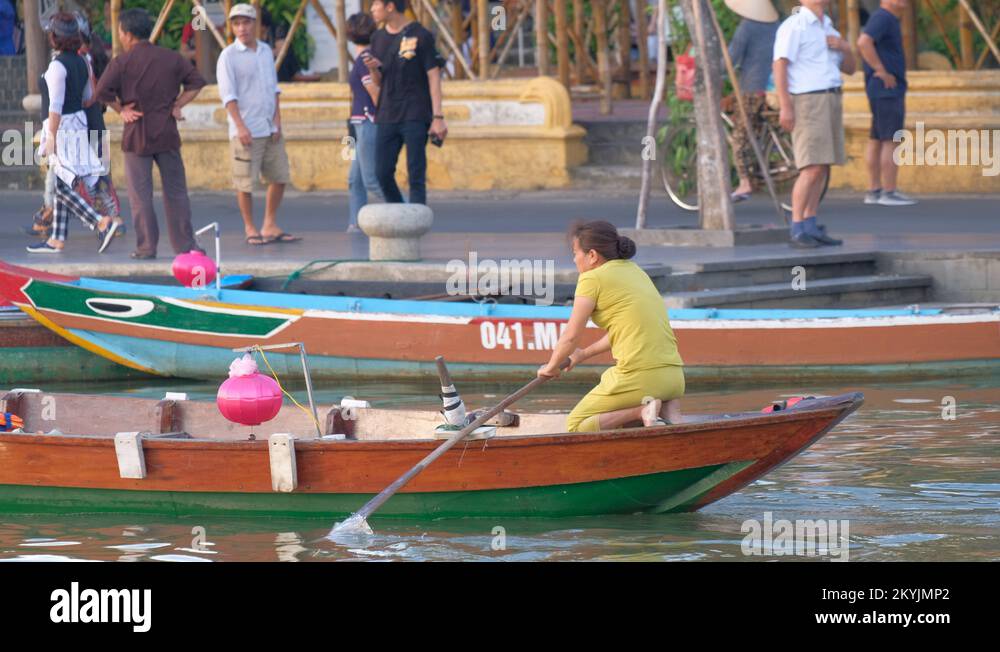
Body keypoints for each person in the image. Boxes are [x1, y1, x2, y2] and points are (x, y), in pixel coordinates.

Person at [538, 221, 685, 432]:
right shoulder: (634, 270)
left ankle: (641, 410)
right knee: (626, 423)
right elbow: (624, 330)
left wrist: (551, 367)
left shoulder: (592, 278)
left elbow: (571, 336)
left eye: (575, 252)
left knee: (576, 425)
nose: (574, 259)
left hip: (639, 376)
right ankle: (657, 412)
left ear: (592, 255)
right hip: (673, 378)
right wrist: (581, 355)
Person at [95, 8, 207, 259]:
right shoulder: (171, 58)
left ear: (126, 34)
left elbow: (101, 91)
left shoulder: (122, 62)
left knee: (140, 194)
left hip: (137, 133)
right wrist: (178, 104)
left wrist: (120, 109)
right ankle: (185, 246)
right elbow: (196, 82)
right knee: (176, 192)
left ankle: (147, 247)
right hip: (166, 130)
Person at [26, 13, 123, 254]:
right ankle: (56, 239)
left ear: (54, 38)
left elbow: (55, 107)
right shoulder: (83, 62)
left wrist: (51, 137)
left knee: (62, 185)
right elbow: (90, 96)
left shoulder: (57, 66)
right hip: (78, 123)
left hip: (63, 127)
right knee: (62, 183)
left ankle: (99, 222)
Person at [773, 0, 855, 248]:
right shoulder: (795, 25)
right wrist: (785, 105)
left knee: (822, 165)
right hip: (808, 99)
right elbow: (779, 64)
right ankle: (797, 227)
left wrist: (845, 48)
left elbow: (850, 68)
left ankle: (810, 222)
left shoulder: (829, 27)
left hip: (831, 96)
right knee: (810, 166)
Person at [216, 3, 299, 245]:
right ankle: (250, 227)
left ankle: (269, 224)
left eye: (246, 22)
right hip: (246, 128)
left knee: (280, 176)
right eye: (237, 23)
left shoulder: (265, 51)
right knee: (245, 182)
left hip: (270, 127)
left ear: (256, 24)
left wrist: (277, 120)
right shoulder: (228, 56)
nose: (242, 28)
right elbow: (228, 96)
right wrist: (240, 126)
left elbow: (273, 89)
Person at [366, 0, 447, 205]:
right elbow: (378, 81)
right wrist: (374, 68)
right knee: (382, 172)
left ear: (390, 6)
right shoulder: (377, 38)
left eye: (376, 5)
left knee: (416, 174)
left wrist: (438, 117)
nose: (372, 9)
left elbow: (434, 76)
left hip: (415, 113)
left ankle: (417, 221)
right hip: (387, 114)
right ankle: (401, 214)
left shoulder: (421, 35)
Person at [857, 0, 916, 206]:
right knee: (891, 139)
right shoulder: (882, 17)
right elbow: (864, 42)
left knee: (877, 139)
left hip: (881, 90)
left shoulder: (887, 19)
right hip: (887, 89)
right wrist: (880, 70)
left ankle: (874, 190)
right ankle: (888, 192)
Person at [725, 0, 780, 201]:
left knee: (740, 136)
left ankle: (744, 182)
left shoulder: (747, 27)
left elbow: (731, 58)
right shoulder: (776, 25)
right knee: (756, 133)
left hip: (751, 87)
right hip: (773, 87)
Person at [346, 12, 384, 233]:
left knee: (371, 180)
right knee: (355, 178)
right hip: (360, 122)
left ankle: (408, 211)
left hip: (367, 122)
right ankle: (355, 222)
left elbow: (375, 94)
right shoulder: (365, 57)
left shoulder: (363, 59)